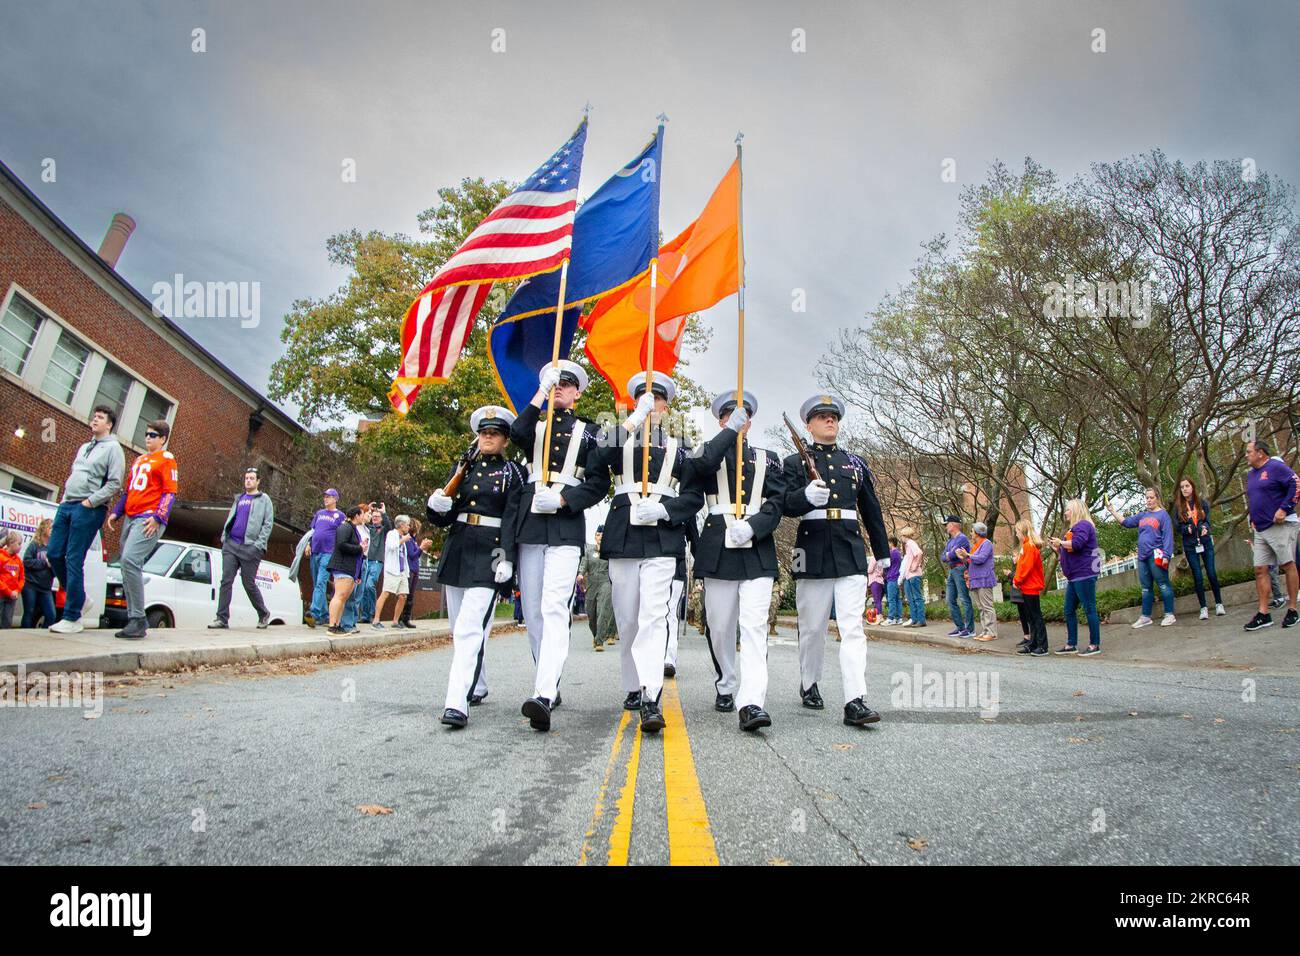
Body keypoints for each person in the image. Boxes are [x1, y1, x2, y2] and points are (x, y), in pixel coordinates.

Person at [565, 372, 705, 733]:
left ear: (666, 405)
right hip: (624, 533)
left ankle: (650, 695)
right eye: (645, 399)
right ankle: (632, 683)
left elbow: (693, 495)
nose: (652, 405)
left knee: (654, 617)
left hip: (662, 536)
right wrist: (631, 420)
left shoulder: (683, 444)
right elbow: (597, 460)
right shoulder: (618, 434)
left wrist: (665, 510)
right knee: (627, 619)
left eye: (657, 400)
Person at [781, 392, 890, 727]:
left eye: (834, 416)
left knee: (853, 628)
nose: (831, 420)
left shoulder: (855, 464)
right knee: (812, 628)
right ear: (809, 424)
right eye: (823, 416)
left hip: (848, 547)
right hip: (811, 548)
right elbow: (783, 504)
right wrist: (803, 497)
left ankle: (855, 699)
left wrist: (882, 553)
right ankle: (810, 681)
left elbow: (871, 510)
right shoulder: (794, 463)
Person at [684, 389, 787, 731]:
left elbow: (776, 503)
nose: (738, 420)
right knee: (721, 624)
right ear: (721, 420)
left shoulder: (768, 457)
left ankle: (752, 701)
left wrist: (754, 527)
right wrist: (729, 434)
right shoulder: (708, 451)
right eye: (729, 415)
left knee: (754, 627)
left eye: (743, 416)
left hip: (756, 546)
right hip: (718, 545)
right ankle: (726, 682)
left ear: (751, 420)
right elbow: (700, 466)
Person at [507, 360, 598, 731]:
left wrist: (564, 501)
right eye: (555, 384)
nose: (559, 388)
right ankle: (549, 678)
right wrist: (538, 393)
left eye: (566, 385)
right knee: (533, 612)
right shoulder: (537, 425)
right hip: (531, 525)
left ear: (578, 392)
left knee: (554, 606)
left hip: (563, 525)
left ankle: (542, 692)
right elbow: (516, 432)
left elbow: (598, 483)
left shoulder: (590, 432)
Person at [427, 406, 526, 729]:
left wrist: (507, 558)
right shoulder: (464, 468)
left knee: (471, 627)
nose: (487, 437)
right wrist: (437, 506)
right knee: (461, 628)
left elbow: (511, 519)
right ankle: (478, 684)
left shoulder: (513, 473)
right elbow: (444, 514)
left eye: (494, 433)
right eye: (483, 432)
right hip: (458, 547)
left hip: (489, 552)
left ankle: (456, 702)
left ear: (505, 440)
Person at [47, 405, 125, 634]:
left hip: (88, 508)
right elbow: (74, 474)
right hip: (67, 505)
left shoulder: (113, 449)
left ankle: (72, 617)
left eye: (100, 417)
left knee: (73, 558)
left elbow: (114, 483)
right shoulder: (84, 447)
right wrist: (63, 499)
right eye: (94, 416)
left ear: (109, 425)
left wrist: (90, 502)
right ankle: (80, 598)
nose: (95, 420)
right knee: (53, 553)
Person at [105, 419, 178, 640]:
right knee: (125, 566)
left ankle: (138, 619)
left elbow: (169, 491)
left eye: (153, 435)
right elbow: (129, 491)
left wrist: (159, 517)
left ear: (163, 439)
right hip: (131, 516)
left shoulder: (167, 459)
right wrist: (117, 512)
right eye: (146, 434)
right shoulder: (139, 460)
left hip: (148, 518)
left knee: (129, 560)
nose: (148, 437)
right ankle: (133, 618)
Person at [1242, 439, 1299, 631]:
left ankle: (1292, 609)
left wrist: (1285, 508)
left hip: (1279, 527)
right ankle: (1264, 613)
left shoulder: (1276, 467)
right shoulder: (1251, 475)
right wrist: (1253, 516)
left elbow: (1296, 484)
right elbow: (1255, 498)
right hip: (1260, 529)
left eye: (1249, 452)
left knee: (1288, 565)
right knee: (1260, 570)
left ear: (1260, 453)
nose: (1246, 455)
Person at [209, 466, 275, 629]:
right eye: (246, 478)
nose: (248, 481)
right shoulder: (239, 498)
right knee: (226, 580)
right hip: (231, 545)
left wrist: (258, 545)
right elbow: (232, 517)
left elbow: (268, 524)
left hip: (250, 548)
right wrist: (225, 537)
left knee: (248, 583)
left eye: (252, 478)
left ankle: (263, 613)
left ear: (258, 481)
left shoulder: (264, 499)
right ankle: (222, 618)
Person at [1106, 488, 1176, 628]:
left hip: (1156, 556)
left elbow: (1168, 536)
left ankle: (1170, 614)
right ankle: (1145, 616)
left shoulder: (1163, 515)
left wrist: (1167, 555)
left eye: (1151, 497)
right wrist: (1112, 511)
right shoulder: (1142, 515)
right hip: (1142, 557)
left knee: (1163, 584)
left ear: (1157, 498)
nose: (1149, 500)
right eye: (1147, 497)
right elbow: (1125, 522)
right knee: (1145, 588)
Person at [1052, 499, 1102, 655]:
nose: (1065, 512)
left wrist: (1061, 542)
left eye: (1068, 509)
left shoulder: (1084, 526)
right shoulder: (1073, 528)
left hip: (1084, 574)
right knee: (1068, 610)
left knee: (1089, 608)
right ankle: (1071, 644)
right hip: (1074, 576)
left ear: (1075, 511)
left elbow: (1077, 544)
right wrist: (1059, 549)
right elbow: (1069, 551)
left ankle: (1094, 644)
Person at [1172, 477, 1225, 620]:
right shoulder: (1178, 507)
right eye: (1182, 487)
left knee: (1212, 573)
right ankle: (1203, 608)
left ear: (1192, 487)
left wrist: (1205, 528)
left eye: (1187, 486)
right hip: (1190, 545)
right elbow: (1177, 526)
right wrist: (1185, 529)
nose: (1184, 489)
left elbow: (1207, 521)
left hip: (1205, 543)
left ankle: (1219, 603)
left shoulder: (1202, 503)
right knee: (1197, 576)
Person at [305, 489, 345, 628]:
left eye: (329, 497)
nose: (325, 499)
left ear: (335, 499)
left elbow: (342, 534)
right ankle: (324, 615)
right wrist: (308, 544)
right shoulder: (319, 514)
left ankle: (314, 613)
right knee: (317, 582)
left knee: (321, 582)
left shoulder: (340, 515)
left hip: (328, 552)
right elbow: (313, 531)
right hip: (315, 551)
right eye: (325, 496)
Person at [325, 506, 367, 633]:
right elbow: (341, 544)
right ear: (357, 515)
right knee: (339, 596)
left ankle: (338, 625)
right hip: (342, 566)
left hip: (351, 569)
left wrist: (358, 574)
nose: (364, 517)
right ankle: (332, 626)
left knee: (343, 598)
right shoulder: (345, 527)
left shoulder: (354, 529)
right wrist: (359, 548)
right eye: (363, 514)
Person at [1011, 518, 1048, 656]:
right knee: (1032, 618)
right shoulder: (1027, 546)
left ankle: (1042, 645)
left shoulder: (1029, 547)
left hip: (1030, 586)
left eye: (1017, 531)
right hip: (1027, 586)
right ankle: (1033, 644)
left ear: (1022, 531)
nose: (1016, 534)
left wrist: (1017, 580)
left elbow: (1025, 567)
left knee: (1035, 617)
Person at [957, 521, 997, 640]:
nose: (971, 533)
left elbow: (981, 559)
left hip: (984, 579)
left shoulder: (987, 543)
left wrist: (967, 555)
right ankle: (985, 630)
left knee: (987, 606)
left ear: (978, 533)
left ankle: (991, 632)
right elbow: (971, 562)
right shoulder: (975, 546)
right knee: (981, 607)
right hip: (975, 579)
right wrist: (964, 558)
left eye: (972, 531)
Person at [577, 525, 615, 650]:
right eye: (598, 535)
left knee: (603, 611)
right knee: (591, 614)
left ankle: (599, 641)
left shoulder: (610, 552)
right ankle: (595, 635)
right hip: (591, 583)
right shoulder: (589, 552)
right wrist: (581, 574)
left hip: (605, 582)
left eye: (603, 535)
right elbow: (583, 565)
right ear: (595, 536)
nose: (600, 537)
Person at [371, 515, 412, 628]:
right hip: (392, 570)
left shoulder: (402, 537)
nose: (409, 527)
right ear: (402, 525)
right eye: (408, 525)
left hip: (402, 571)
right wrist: (402, 540)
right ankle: (376, 620)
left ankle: (395, 621)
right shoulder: (391, 534)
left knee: (403, 595)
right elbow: (391, 547)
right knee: (386, 593)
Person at [940, 515, 975, 637]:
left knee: (964, 599)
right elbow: (943, 556)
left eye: (947, 524)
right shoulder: (950, 541)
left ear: (953, 524)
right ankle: (960, 627)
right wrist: (950, 554)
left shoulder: (962, 539)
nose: (945, 527)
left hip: (960, 569)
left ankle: (970, 629)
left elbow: (953, 555)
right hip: (952, 570)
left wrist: (949, 555)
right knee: (950, 599)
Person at [359, 504, 392, 623]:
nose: (375, 518)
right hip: (366, 560)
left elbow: (389, 526)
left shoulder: (384, 530)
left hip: (377, 561)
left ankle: (372, 612)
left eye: (377, 516)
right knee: (362, 587)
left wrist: (384, 512)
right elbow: (361, 520)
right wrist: (366, 508)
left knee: (369, 585)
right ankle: (365, 615)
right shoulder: (367, 528)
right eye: (373, 516)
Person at [21, 519, 56, 628]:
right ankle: (23, 634)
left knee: (51, 615)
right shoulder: (35, 545)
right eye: (50, 527)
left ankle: (43, 635)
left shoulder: (53, 547)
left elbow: (56, 570)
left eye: (53, 528)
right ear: (43, 529)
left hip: (45, 588)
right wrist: (44, 563)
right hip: (31, 585)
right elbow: (26, 561)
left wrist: (53, 566)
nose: (52, 530)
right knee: (29, 612)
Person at [396, 520, 423, 630]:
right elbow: (412, 555)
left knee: (411, 596)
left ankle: (406, 618)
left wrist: (420, 548)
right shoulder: (408, 539)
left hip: (415, 569)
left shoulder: (414, 540)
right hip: (410, 569)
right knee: (405, 595)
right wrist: (421, 548)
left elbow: (416, 556)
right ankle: (400, 618)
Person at [898, 527, 926, 628]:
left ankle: (921, 620)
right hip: (909, 575)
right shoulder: (907, 545)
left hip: (914, 575)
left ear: (905, 535)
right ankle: (914, 619)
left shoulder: (910, 543)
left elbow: (919, 553)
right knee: (911, 598)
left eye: (901, 535)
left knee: (917, 597)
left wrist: (915, 566)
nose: (901, 537)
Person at [0, 532, 24, 628]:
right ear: (11, 543)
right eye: (19, 543)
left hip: (12, 596)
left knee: (8, 620)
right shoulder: (1, 557)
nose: (20, 546)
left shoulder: (18, 561)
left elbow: (22, 578)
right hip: (2, 594)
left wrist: (17, 590)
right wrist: (8, 591)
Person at [884, 537, 903, 624]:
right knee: (897, 599)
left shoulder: (892, 553)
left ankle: (891, 618)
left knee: (891, 599)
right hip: (897, 577)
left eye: (888, 543)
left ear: (891, 543)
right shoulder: (898, 553)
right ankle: (899, 618)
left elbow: (886, 565)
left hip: (891, 577)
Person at [867, 553, 885, 620]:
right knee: (879, 600)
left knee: (877, 600)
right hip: (880, 581)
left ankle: (879, 616)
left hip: (874, 581)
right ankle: (879, 615)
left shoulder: (873, 558)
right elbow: (882, 572)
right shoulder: (881, 560)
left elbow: (869, 570)